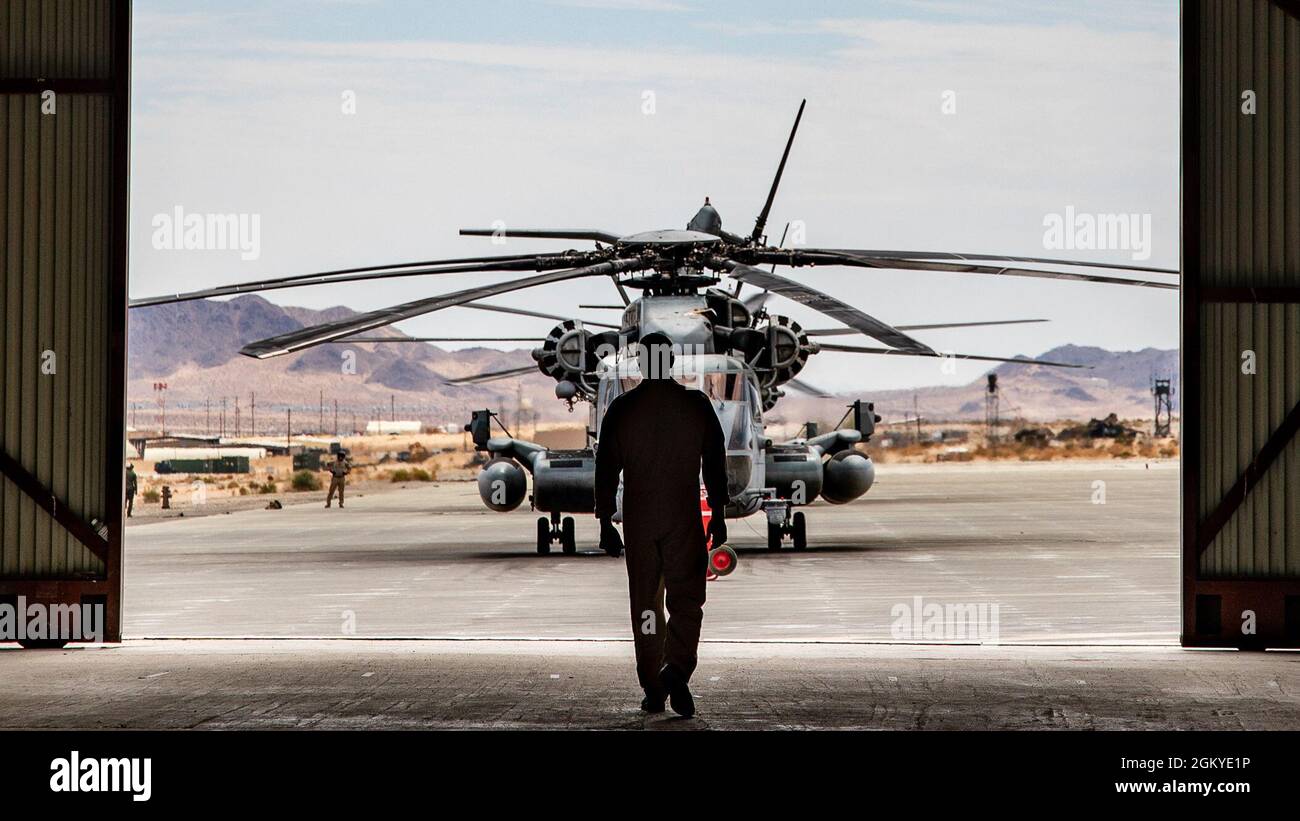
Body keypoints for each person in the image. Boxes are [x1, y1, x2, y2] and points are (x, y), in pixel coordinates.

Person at [594, 332, 728, 718]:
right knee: (687, 600)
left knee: (646, 605)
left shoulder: (622, 410)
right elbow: (715, 466)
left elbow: (606, 471)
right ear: (670, 362)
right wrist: (718, 513)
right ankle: (677, 670)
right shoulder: (696, 405)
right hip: (682, 518)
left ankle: (654, 687)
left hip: (640, 521)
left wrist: (605, 520)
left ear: (639, 363)